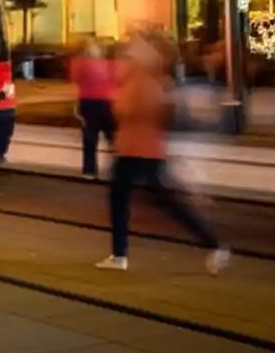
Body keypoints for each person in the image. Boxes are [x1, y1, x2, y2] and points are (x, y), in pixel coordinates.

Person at [96, 31, 230, 274]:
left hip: (132, 151)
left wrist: (116, 102)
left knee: (124, 201)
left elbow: (125, 112)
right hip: (147, 150)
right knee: (164, 202)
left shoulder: (139, 83)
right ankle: (214, 245)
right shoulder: (154, 83)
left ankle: (120, 255)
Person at [71, 37, 115, 179]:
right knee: (112, 137)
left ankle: (89, 170)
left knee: (90, 138)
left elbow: (75, 79)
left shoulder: (79, 64)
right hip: (106, 102)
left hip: (87, 102)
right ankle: (117, 169)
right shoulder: (105, 64)